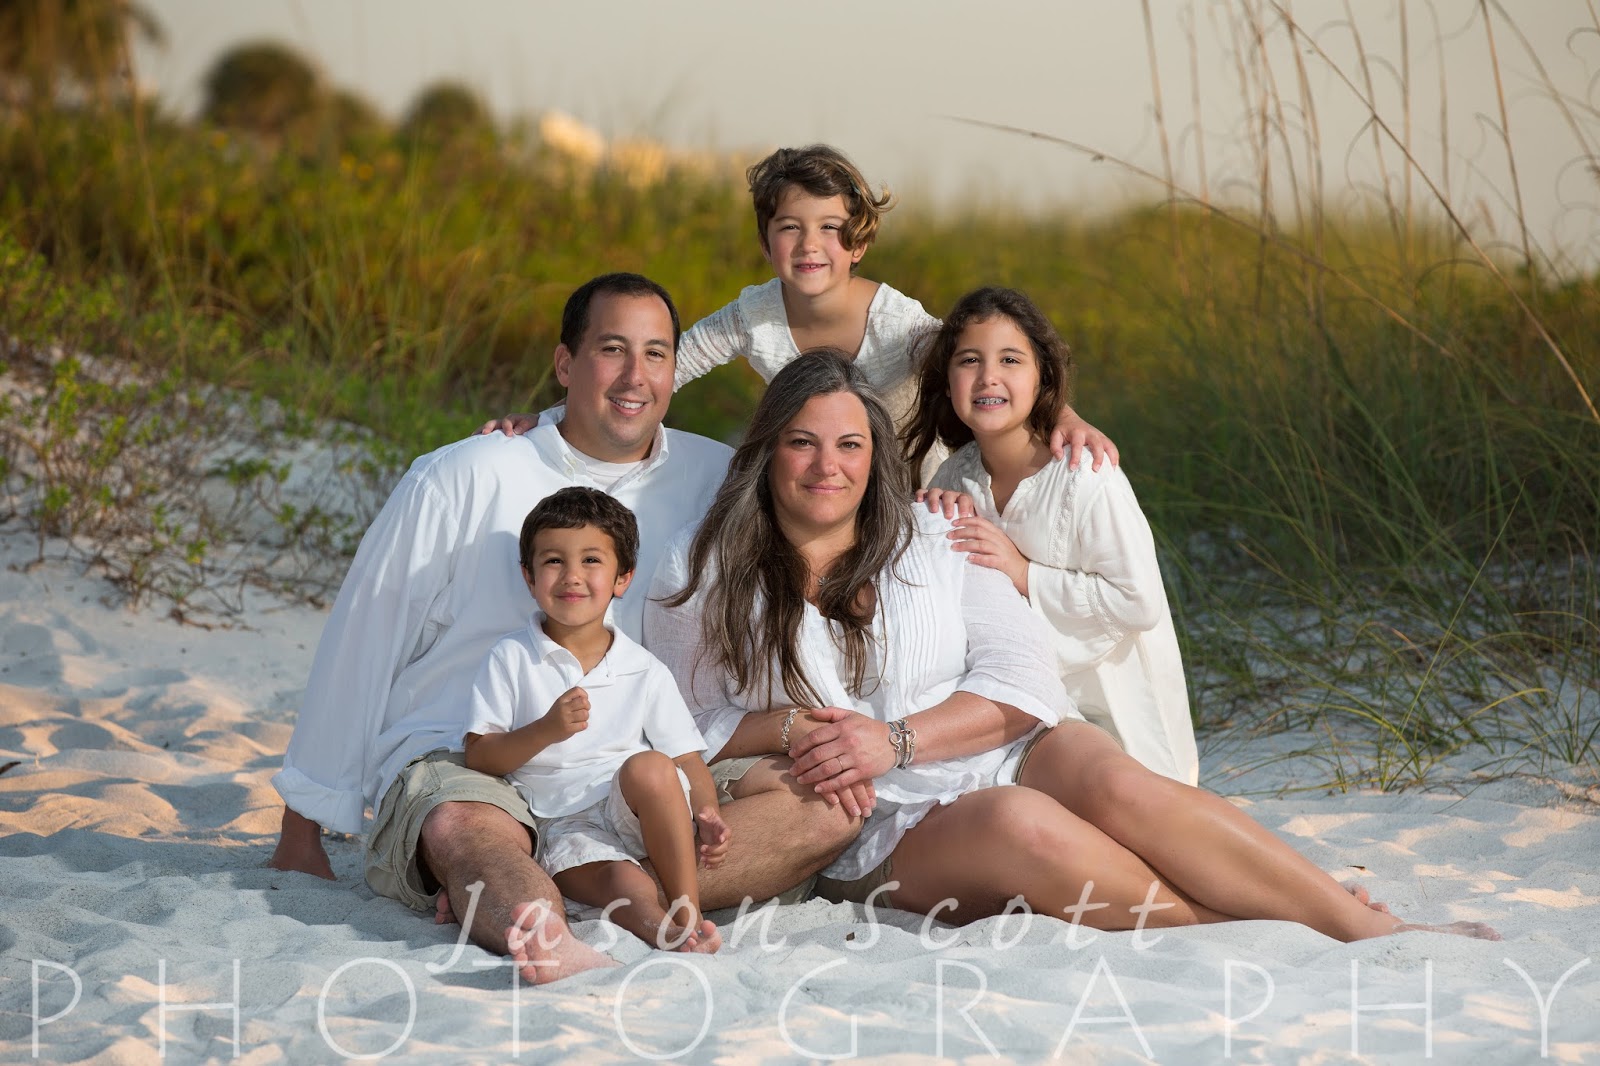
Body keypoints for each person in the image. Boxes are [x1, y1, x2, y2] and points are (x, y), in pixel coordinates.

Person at [648, 350, 1499, 942]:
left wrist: (897, 737)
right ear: (768, 452)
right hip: (876, 821)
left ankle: (1350, 920)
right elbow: (683, 720)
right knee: (1024, 824)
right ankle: (1263, 918)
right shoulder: (703, 563)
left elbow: (1022, 677)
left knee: (1114, 781)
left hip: (985, 743)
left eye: (850, 444)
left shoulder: (934, 536)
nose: (826, 466)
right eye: (803, 442)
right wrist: (796, 734)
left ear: (877, 457)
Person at [268, 274, 861, 984]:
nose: (635, 377)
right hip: (476, 759)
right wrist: (302, 826)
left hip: (635, 771)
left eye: (656, 354)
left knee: (826, 810)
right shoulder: (467, 473)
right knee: (464, 830)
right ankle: (541, 923)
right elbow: (362, 641)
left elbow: (837, 488)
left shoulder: (716, 477)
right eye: (612, 350)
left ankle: (590, 882)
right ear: (564, 365)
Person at [480, 144, 1118, 472]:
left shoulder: (900, 323)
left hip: (917, 487)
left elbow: (985, 373)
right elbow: (662, 369)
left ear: (860, 243)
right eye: (790, 227)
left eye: (832, 229)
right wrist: (549, 417)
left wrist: (1064, 415)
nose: (811, 246)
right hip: (819, 479)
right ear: (766, 241)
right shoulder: (752, 314)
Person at [903, 287, 1199, 784]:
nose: (988, 376)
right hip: (1020, 708)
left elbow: (1138, 601)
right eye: (969, 360)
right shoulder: (952, 478)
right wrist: (934, 523)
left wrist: (1022, 573)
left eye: (1011, 359)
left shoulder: (1086, 475)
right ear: (947, 379)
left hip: (1116, 712)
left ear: (1042, 377)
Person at [463, 487, 729, 954]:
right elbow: (480, 756)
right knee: (619, 880)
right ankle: (663, 931)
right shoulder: (511, 657)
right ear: (528, 575)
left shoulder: (642, 667)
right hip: (561, 819)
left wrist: (707, 813)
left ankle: (690, 911)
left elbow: (686, 758)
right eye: (552, 561)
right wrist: (546, 729)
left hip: (631, 807)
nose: (572, 576)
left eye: (591, 560)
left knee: (650, 765)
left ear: (622, 578)